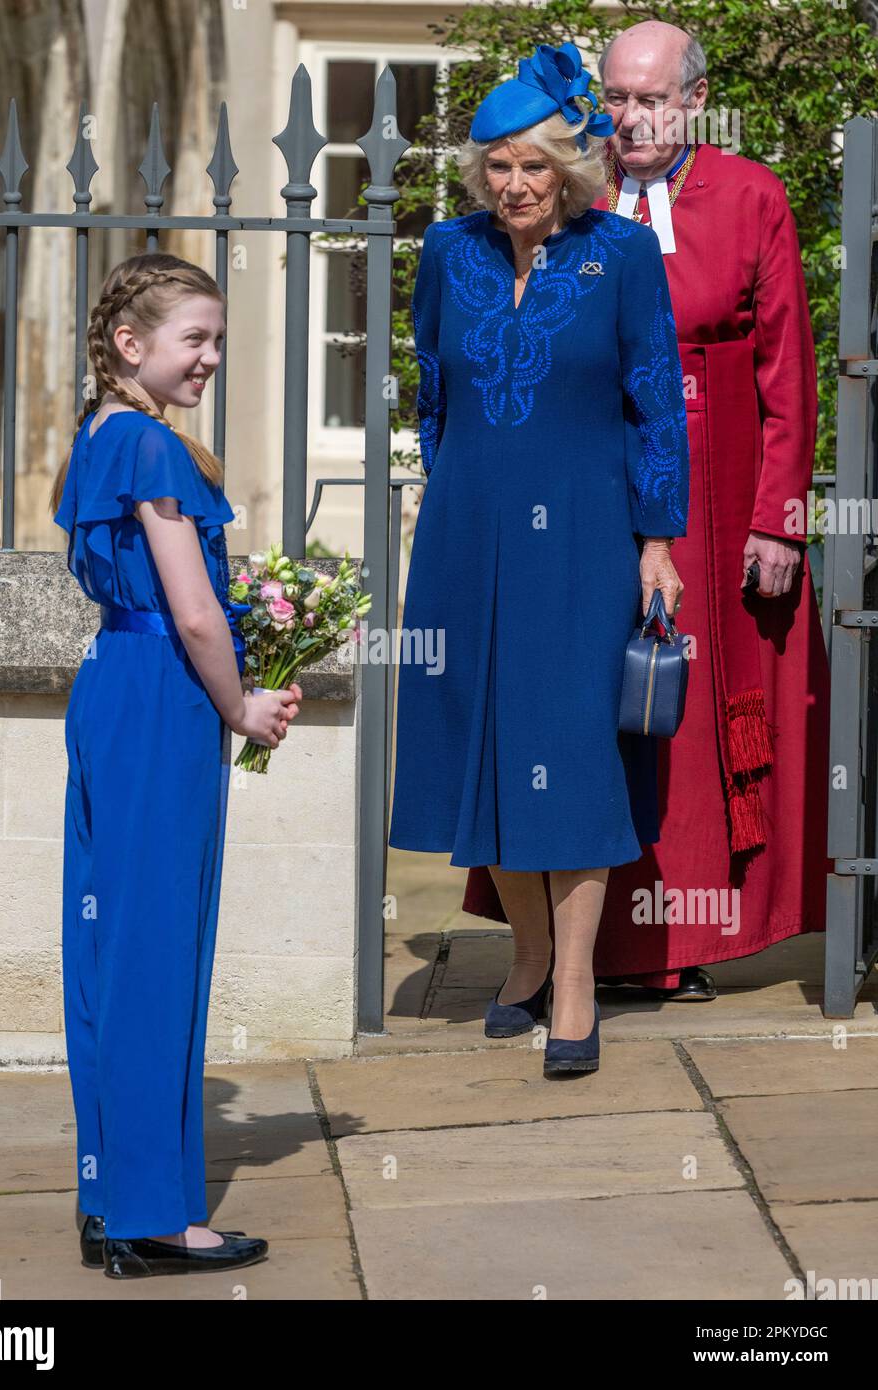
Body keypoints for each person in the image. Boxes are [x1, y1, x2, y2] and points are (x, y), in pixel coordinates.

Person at [461, 22, 830, 1004]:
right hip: (581, 482)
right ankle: (566, 946)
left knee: (676, 702)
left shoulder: (751, 196)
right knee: (573, 696)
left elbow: (788, 371)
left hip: (717, 489)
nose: (629, 118)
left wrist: (778, 518)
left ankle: (676, 940)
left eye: (651, 99)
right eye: (615, 97)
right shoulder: (567, 193)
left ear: (695, 101)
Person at [387, 43, 690, 1076]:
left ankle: (573, 986)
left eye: (533, 165)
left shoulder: (623, 254)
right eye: (498, 166)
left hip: (585, 537)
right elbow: (431, 394)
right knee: (486, 743)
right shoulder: (448, 252)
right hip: (466, 531)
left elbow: (656, 404)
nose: (514, 184)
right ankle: (526, 956)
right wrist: (454, 494)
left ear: (569, 168)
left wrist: (656, 540)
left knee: (572, 749)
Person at [49, 252, 302, 1278]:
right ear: (130, 343)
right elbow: (195, 612)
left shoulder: (97, 435)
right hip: (161, 696)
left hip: (111, 685)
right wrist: (243, 705)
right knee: (156, 949)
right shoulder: (151, 446)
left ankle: (110, 1194)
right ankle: (153, 1217)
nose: (211, 357)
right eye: (194, 338)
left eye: (217, 339)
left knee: (109, 950)